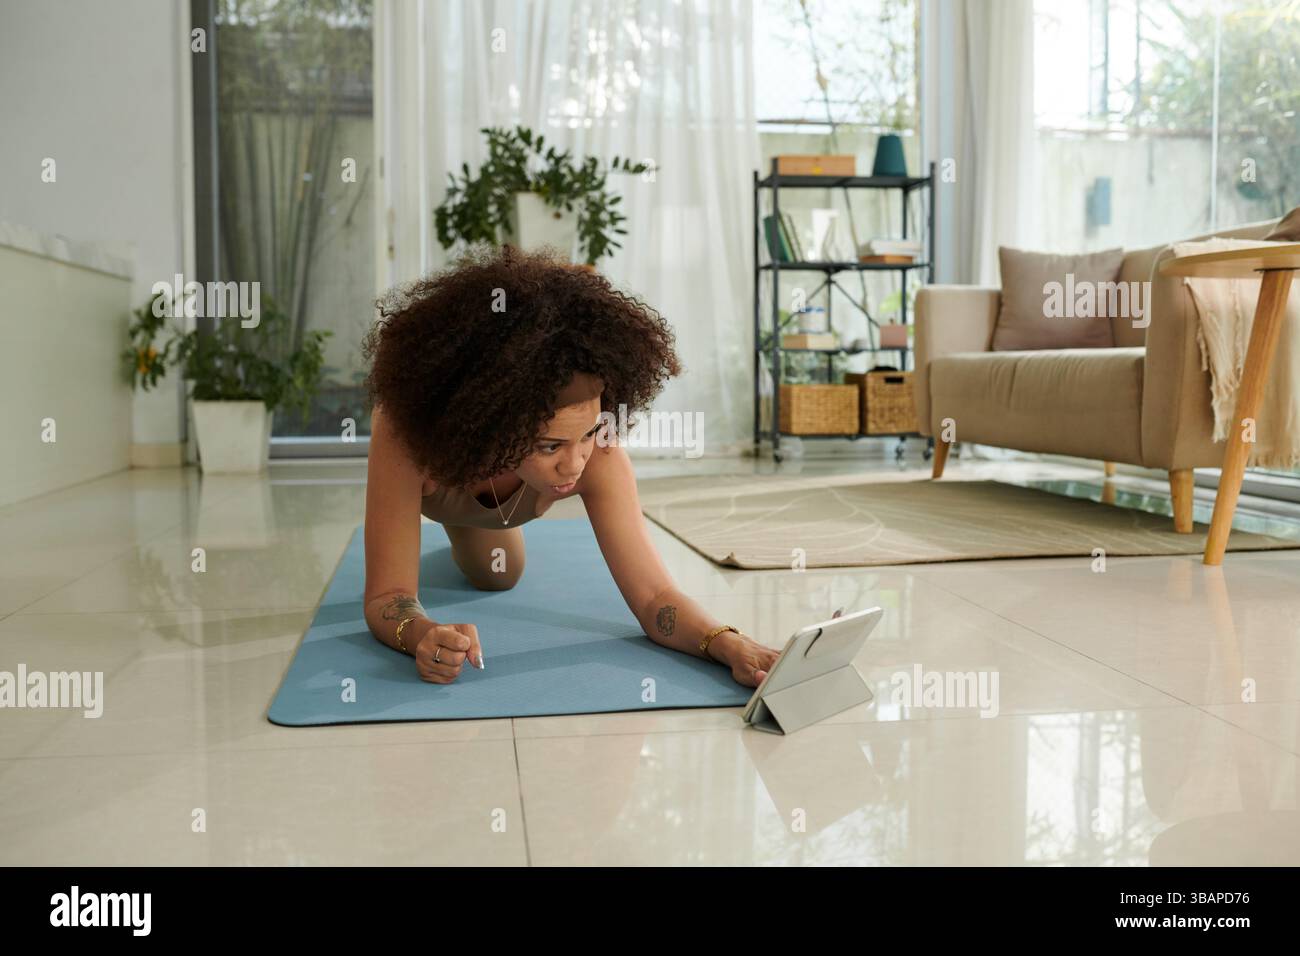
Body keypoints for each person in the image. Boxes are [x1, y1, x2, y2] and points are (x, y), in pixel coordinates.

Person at [360, 244, 779, 688]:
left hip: (489, 503)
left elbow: (656, 598)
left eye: (587, 433)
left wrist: (725, 642)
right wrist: (423, 635)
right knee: (493, 567)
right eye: (549, 446)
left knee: (499, 575)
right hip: (446, 483)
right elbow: (388, 597)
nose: (573, 465)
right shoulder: (406, 435)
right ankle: (455, 519)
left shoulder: (598, 452)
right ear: (487, 426)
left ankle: (472, 525)